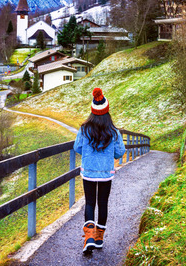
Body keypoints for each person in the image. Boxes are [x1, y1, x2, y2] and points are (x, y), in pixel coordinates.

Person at [74, 87, 126, 254]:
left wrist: (89, 153)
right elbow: (120, 152)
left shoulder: (84, 129)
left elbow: (77, 147)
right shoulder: (114, 132)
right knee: (102, 203)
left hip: (88, 171)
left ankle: (88, 238)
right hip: (105, 173)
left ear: (92, 111)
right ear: (107, 111)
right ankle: (98, 239)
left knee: (89, 203)